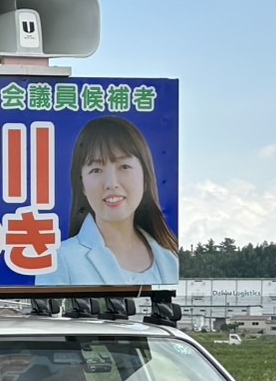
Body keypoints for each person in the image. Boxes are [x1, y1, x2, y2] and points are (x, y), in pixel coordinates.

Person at [38, 116, 179, 287]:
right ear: (81, 183)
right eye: (96, 170)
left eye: (124, 167)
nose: (111, 183)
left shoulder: (170, 257)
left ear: (145, 177)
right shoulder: (60, 259)